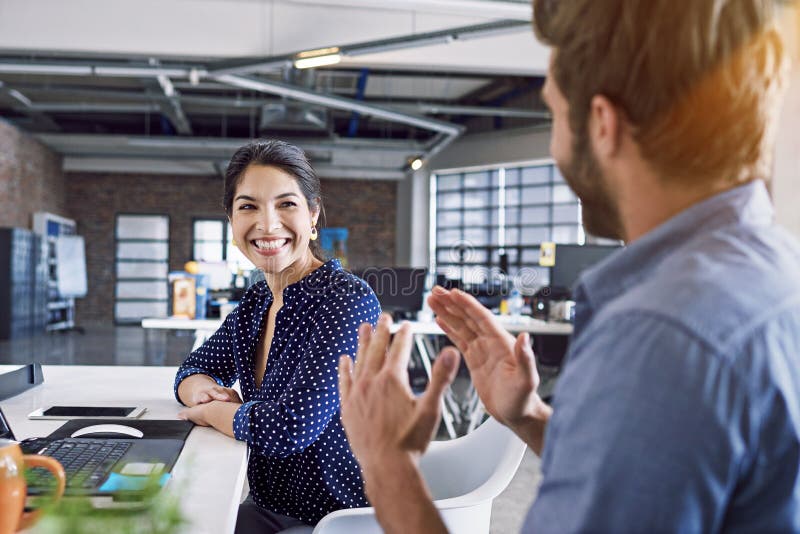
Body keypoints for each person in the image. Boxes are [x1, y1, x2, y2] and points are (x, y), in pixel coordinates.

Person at [338, 0, 800, 532]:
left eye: (554, 113)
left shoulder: (660, 335)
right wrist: (529, 414)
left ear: (602, 124)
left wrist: (387, 465)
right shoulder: (774, 275)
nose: (556, 142)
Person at [174, 140, 380, 533]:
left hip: (337, 518)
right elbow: (194, 368)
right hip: (269, 507)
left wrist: (212, 412)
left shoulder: (346, 299)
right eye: (248, 206)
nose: (267, 224)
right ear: (231, 221)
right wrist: (202, 389)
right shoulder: (257, 300)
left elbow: (289, 428)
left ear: (313, 213)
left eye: (286, 204)